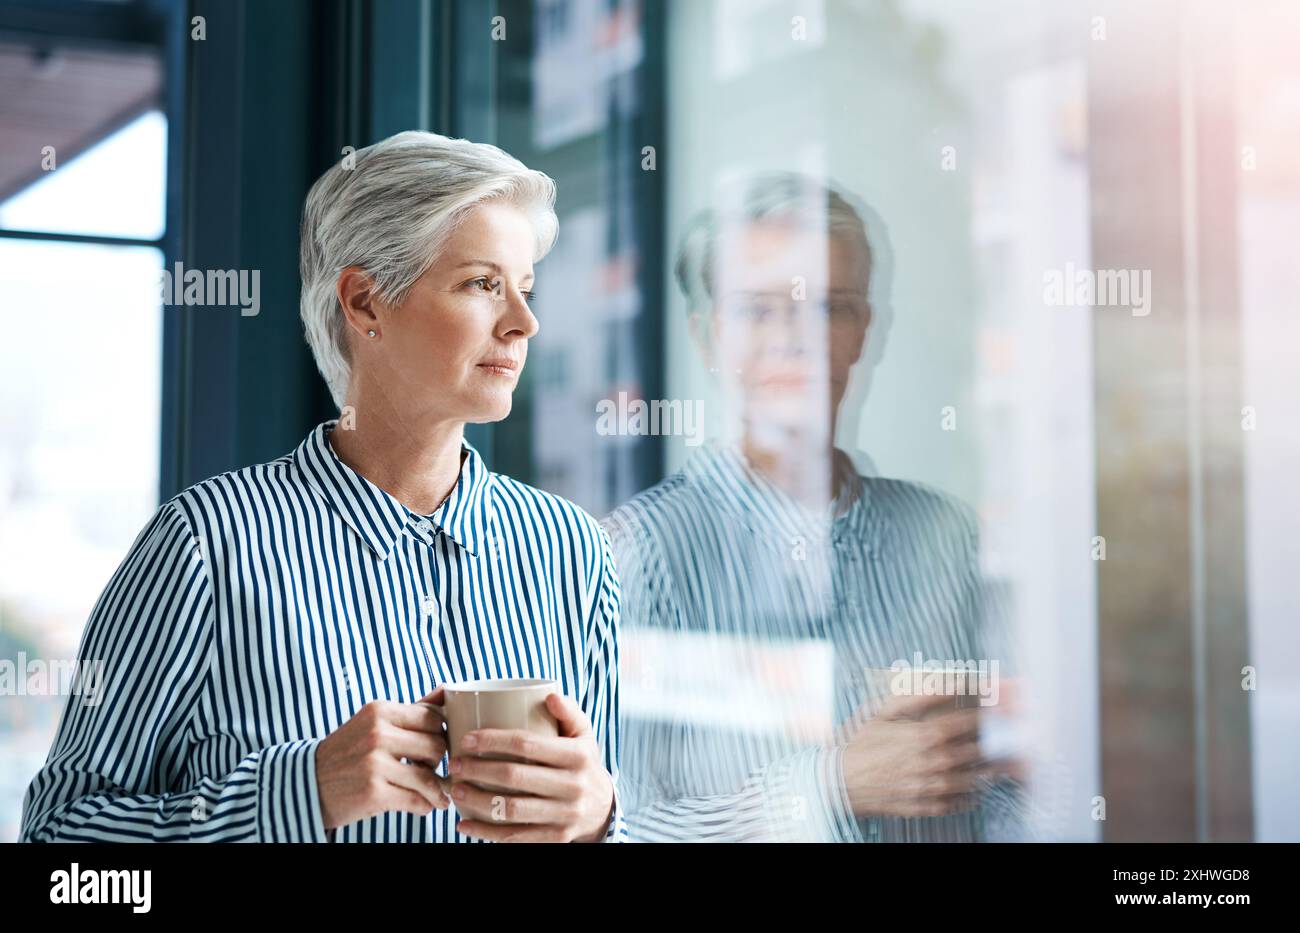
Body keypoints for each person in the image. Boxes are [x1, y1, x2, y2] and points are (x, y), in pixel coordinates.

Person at [20, 131, 627, 843]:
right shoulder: (205, 546)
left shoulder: (573, 553)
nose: (524, 323)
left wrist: (599, 821)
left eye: (523, 289)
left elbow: (605, 813)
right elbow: (61, 851)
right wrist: (300, 792)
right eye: (482, 284)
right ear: (365, 301)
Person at [602, 171, 1025, 842]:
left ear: (865, 332)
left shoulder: (949, 538)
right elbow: (613, 831)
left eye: (828, 307)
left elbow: (1020, 789)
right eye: (758, 309)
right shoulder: (635, 555)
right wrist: (830, 788)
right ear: (709, 336)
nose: (794, 337)